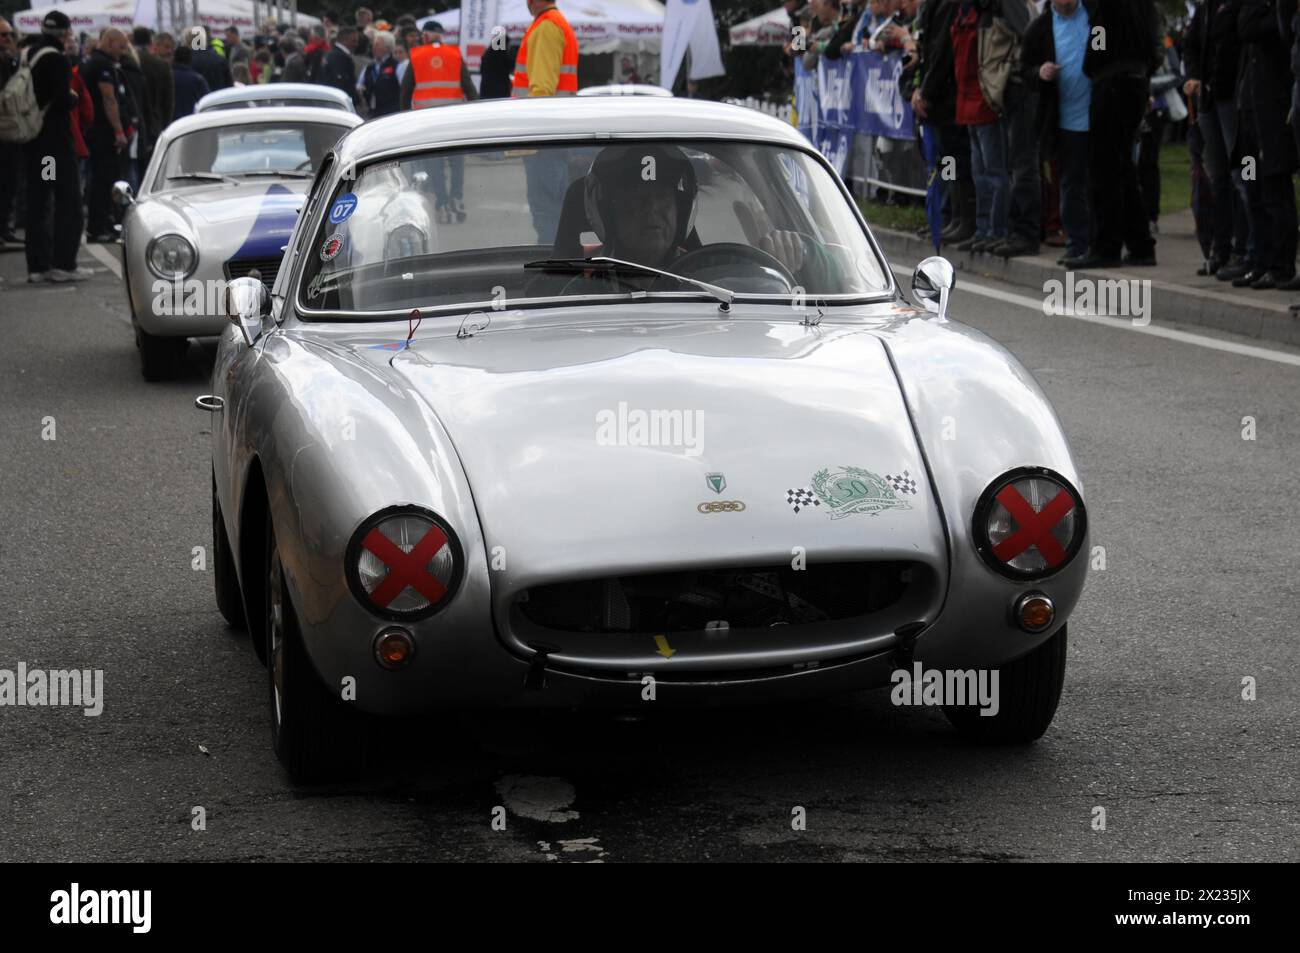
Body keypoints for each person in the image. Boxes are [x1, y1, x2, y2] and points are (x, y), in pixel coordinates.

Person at [1072, 0, 1160, 268]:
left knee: (1105, 169)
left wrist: (1091, 64)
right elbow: (1153, 48)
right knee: (1124, 168)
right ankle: (1140, 242)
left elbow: (1099, 42)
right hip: (1137, 81)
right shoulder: (1145, 9)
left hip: (1111, 82)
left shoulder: (1108, 8)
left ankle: (1106, 246)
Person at [1233, 0, 1297, 290]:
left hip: (1272, 114)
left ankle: (1281, 264)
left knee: (1275, 189)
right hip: (1250, 114)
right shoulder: (1257, 8)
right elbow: (1243, 25)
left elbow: (1253, 27)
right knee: (1252, 187)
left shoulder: (1280, 10)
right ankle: (1258, 257)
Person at [21, 10, 90, 282]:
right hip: (54, 146)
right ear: (63, 33)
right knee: (67, 200)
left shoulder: (28, 54)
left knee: (38, 200)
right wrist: (72, 97)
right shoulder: (57, 59)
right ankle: (63, 263)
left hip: (34, 143)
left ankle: (37, 266)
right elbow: (62, 99)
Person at [1025, 0, 1095, 267]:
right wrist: (1040, 73)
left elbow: (1106, 50)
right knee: (1071, 184)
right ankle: (1077, 243)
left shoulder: (1094, 17)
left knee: (1101, 182)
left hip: (1099, 115)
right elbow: (1026, 68)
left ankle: (1102, 241)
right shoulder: (1040, 27)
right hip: (1064, 121)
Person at [1184, 0, 1251, 278]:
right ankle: (1220, 249)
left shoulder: (1238, 6)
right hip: (1209, 100)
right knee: (1218, 177)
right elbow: (1191, 45)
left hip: (1230, 99)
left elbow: (1236, 49)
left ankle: (1244, 249)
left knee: (1240, 177)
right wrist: (1194, 76)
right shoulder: (1206, 8)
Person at [514, 0, 581, 245]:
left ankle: (550, 276)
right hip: (553, 139)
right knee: (554, 215)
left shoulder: (546, 27)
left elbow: (541, 92)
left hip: (542, 141)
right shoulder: (554, 24)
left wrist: (532, 135)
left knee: (547, 218)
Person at [402, 22, 478, 223]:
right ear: (441, 36)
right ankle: (457, 197)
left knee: (434, 162)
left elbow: (406, 90)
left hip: (427, 121)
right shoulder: (454, 54)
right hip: (454, 119)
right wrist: (477, 113)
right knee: (456, 160)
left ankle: (441, 202)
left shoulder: (416, 56)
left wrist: (403, 117)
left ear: (426, 35)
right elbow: (468, 87)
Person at [951, 0, 1009, 253]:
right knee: (979, 174)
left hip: (984, 101)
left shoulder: (983, 15)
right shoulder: (962, 16)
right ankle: (982, 229)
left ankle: (997, 230)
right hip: (967, 103)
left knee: (994, 172)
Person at [84, 27, 139, 243]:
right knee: (105, 179)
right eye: (122, 46)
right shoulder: (102, 65)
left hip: (97, 131)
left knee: (102, 178)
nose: (124, 51)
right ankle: (99, 226)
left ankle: (102, 224)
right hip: (103, 133)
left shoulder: (95, 62)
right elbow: (109, 100)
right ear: (110, 42)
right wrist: (118, 130)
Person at [132, 27, 172, 171]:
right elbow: (168, 102)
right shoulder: (161, 65)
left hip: (132, 124)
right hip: (156, 123)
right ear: (151, 42)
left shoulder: (128, 62)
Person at [0, 17, 22, 248]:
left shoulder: (11, 62)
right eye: (4, 35)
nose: (8, 39)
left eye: (10, 35)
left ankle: (5, 228)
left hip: (11, 134)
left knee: (9, 183)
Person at [361, 31, 400, 116]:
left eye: (377, 44)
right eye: (374, 44)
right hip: (373, 112)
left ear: (387, 47)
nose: (373, 47)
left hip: (392, 112)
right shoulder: (370, 67)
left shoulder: (396, 65)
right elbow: (360, 85)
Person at [170, 42, 210, 120]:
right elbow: (206, 101)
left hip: (171, 121)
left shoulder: (168, 77)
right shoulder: (198, 79)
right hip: (192, 120)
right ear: (190, 60)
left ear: (174, 58)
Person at [321, 25, 359, 105]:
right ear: (345, 40)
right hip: (339, 102)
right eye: (354, 41)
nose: (356, 44)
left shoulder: (330, 54)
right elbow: (342, 83)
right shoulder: (340, 57)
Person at [188, 26, 232, 91]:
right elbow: (229, 84)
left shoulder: (188, 60)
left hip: (197, 98)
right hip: (217, 96)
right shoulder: (219, 59)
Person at [479, 29, 515, 98]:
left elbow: (481, 70)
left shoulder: (487, 54)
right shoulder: (502, 56)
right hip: (499, 93)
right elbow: (510, 66)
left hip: (486, 91)